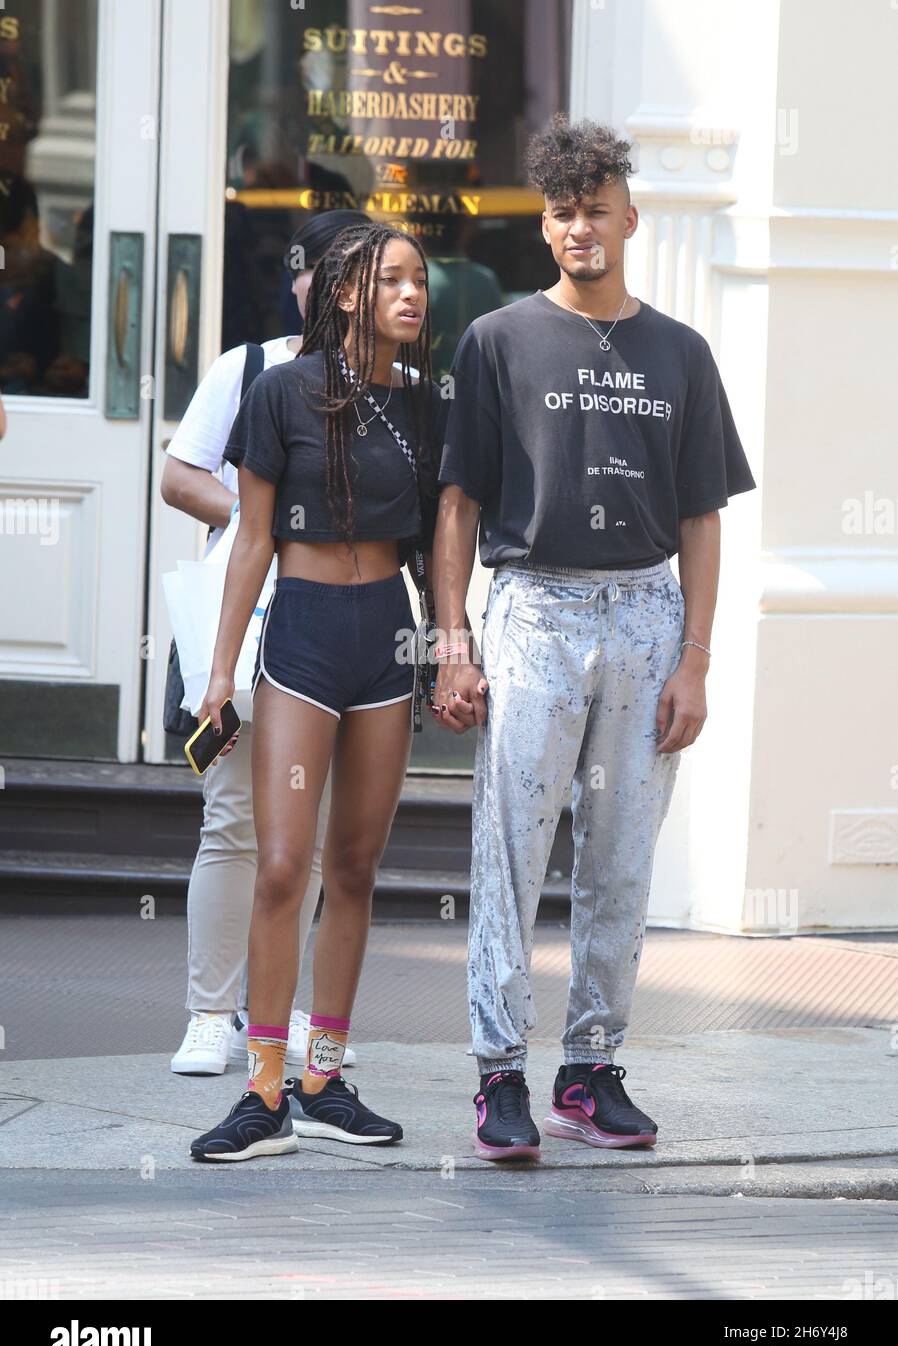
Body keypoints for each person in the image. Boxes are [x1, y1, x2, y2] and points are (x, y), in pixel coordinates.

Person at [431, 114, 756, 1161]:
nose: (581, 228)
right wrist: (452, 640)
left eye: (596, 209)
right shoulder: (499, 341)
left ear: (629, 214)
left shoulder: (680, 352)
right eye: (562, 212)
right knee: (511, 850)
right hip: (533, 605)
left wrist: (696, 659)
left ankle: (590, 1069)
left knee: (620, 858)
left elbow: (702, 514)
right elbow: (458, 503)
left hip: (645, 612)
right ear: (546, 224)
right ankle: (497, 1076)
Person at [189, 222, 451, 1160]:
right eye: (392, 280)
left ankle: (324, 1079)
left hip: (385, 638)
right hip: (299, 636)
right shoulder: (280, 391)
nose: (412, 295)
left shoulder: (425, 406)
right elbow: (252, 536)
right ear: (346, 293)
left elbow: (442, 534)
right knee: (280, 864)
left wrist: (451, 644)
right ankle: (262, 1091)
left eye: (420, 281)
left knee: (354, 869)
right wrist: (221, 669)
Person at [162, 210, 372, 1077]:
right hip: (247, 626)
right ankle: (212, 1012)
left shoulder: (386, 384)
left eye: (334, 273)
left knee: (315, 835)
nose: (312, 288)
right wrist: (269, 525)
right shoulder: (247, 368)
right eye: (305, 272)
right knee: (236, 821)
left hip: (340, 628)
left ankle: (275, 1013)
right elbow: (181, 475)